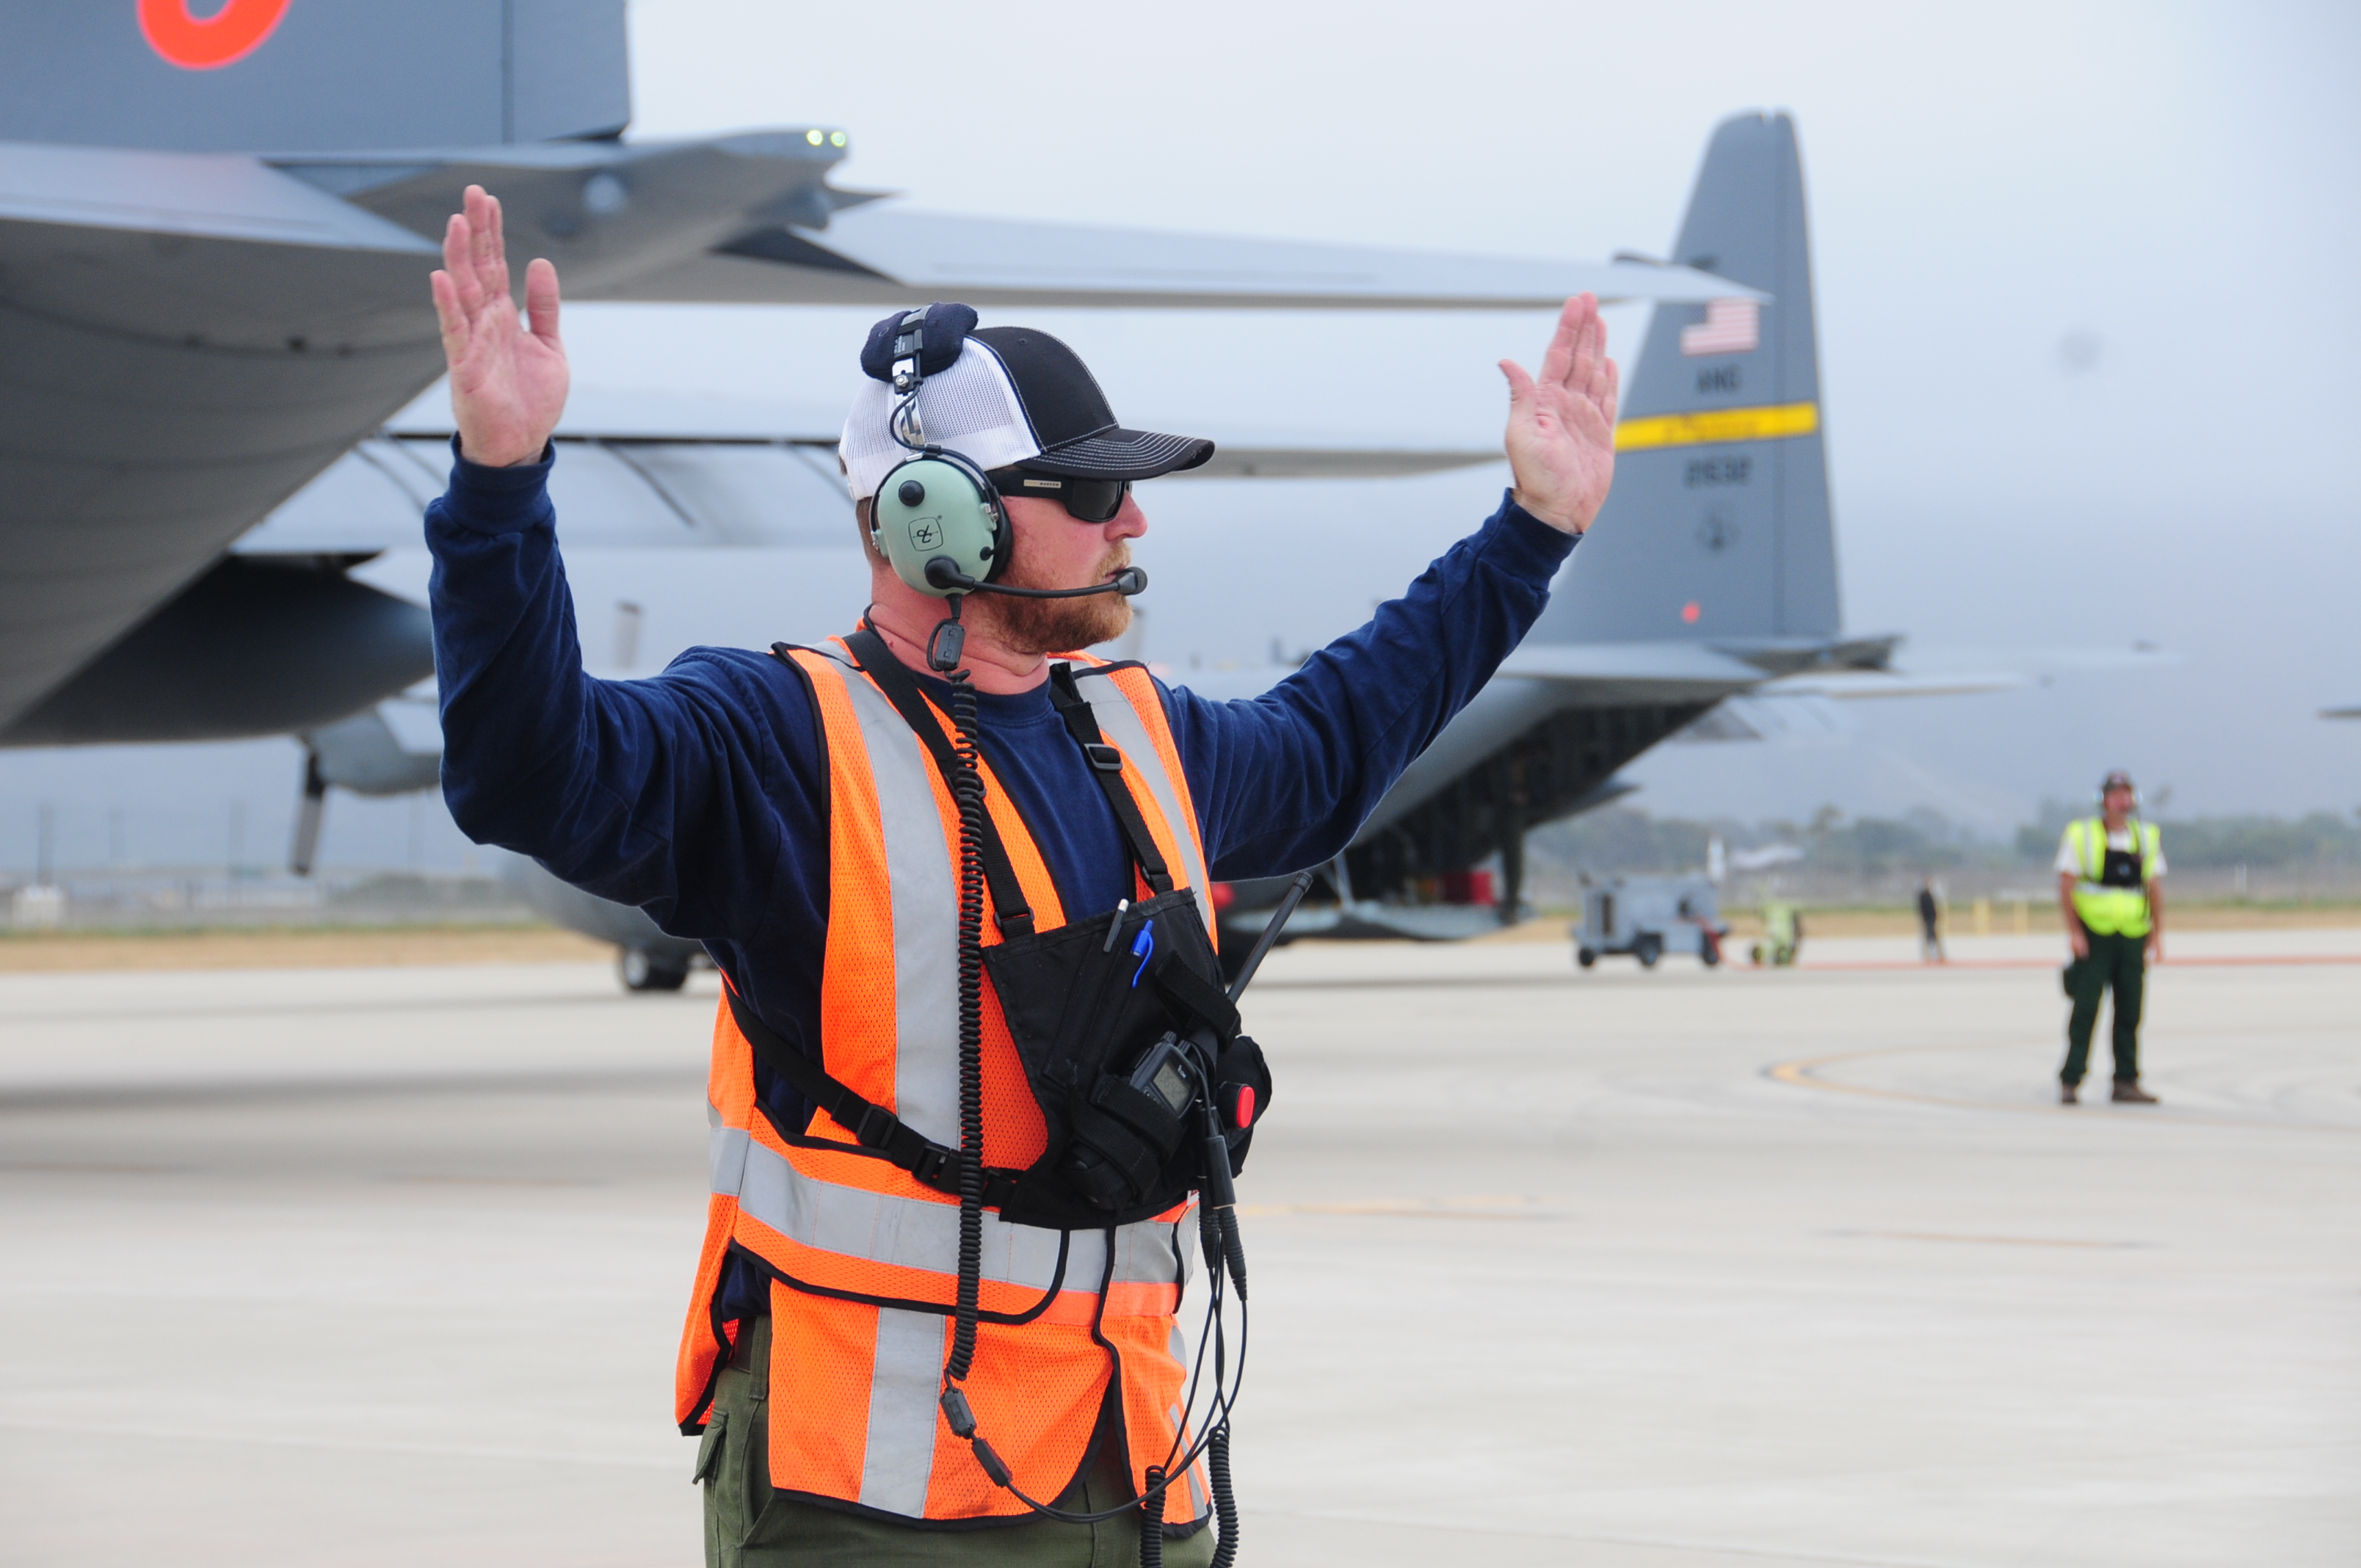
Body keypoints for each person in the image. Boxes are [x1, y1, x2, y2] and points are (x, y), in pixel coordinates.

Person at [422, 186, 1621, 1565]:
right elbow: (527, 771)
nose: (1134, 527)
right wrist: (500, 487)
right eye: (1097, 490)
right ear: (943, 519)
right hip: (879, 1496)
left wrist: (1530, 534)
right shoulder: (773, 743)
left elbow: (1334, 737)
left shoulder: (1135, 731)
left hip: (1131, 1457)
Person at [2054, 771, 2165, 1105]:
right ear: (2102, 800)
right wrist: (2075, 932)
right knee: (2086, 1008)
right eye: (2115, 794)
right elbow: (2066, 884)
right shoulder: (2082, 835)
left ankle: (2126, 1080)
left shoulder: (2145, 837)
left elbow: (2154, 886)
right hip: (2095, 933)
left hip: (2132, 933)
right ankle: (2071, 1079)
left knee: (2130, 1009)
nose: (2122, 800)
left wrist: (2156, 932)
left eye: (2126, 793)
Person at [1916, 876, 1945, 963]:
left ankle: (1940, 956)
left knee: (1936, 938)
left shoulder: (1931, 894)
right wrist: (1922, 919)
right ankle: (1927, 957)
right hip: (1927, 919)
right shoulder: (1923, 895)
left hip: (1933, 919)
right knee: (1927, 938)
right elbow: (1922, 908)